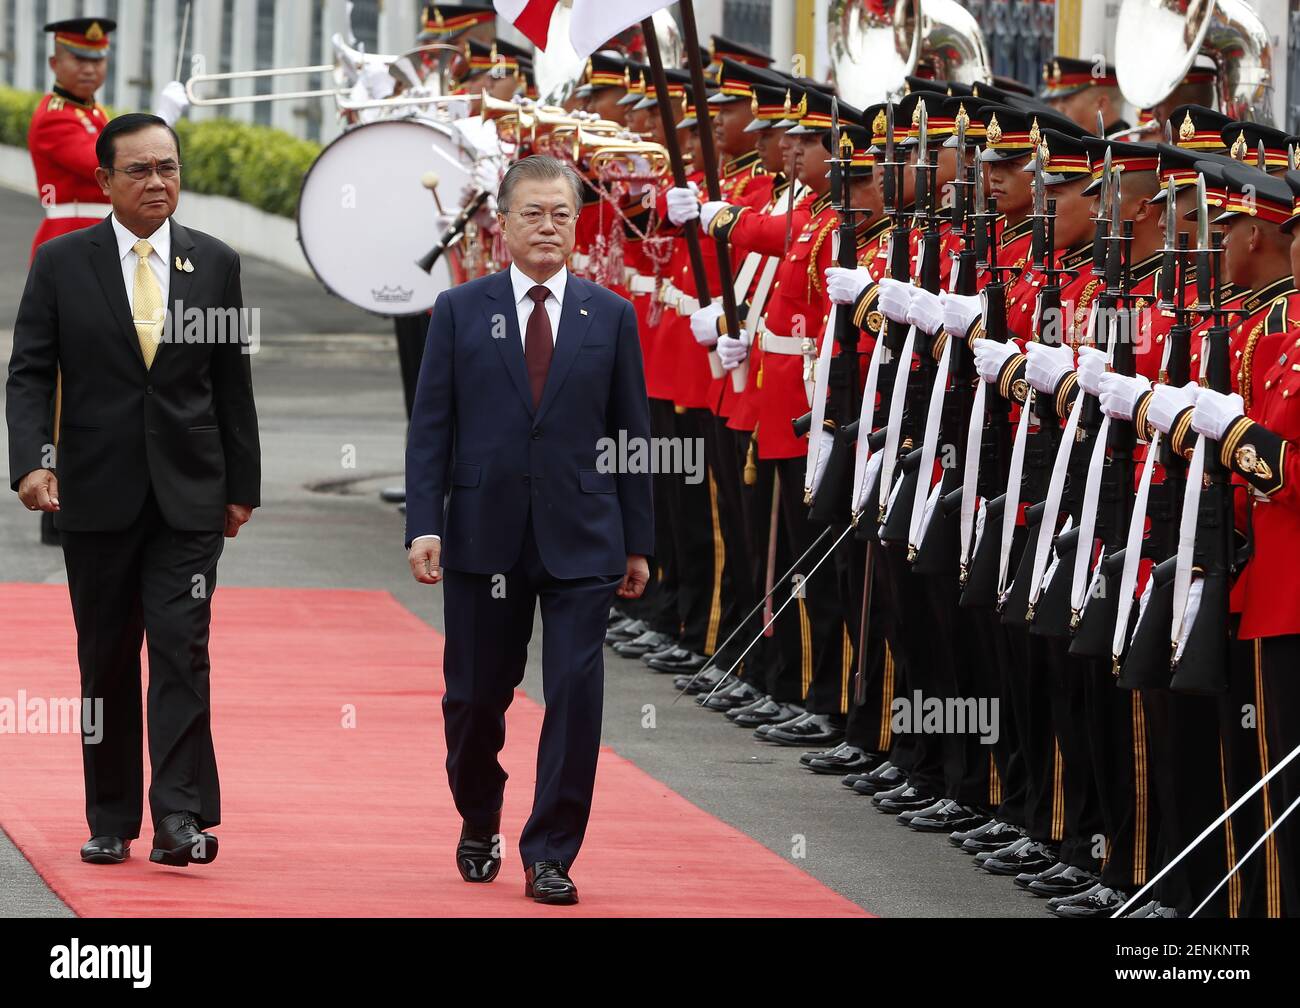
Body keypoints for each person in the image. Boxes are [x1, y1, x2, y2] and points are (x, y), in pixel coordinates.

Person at [6, 113, 261, 867]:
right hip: (96, 495)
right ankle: (110, 816)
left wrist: (240, 485)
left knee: (183, 651)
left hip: (190, 497)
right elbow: (28, 373)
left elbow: (231, 385)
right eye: (141, 171)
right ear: (106, 180)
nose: (158, 182)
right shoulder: (63, 264)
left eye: (169, 168)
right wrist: (32, 461)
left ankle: (181, 814)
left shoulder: (215, 263)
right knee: (105, 661)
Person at [404, 154, 654, 905]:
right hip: (484, 534)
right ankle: (478, 814)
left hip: (583, 536)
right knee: (476, 700)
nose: (548, 227)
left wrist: (637, 540)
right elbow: (430, 431)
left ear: (576, 227)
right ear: (503, 223)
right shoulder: (458, 309)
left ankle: (551, 851)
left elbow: (631, 436)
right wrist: (425, 524)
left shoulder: (609, 315)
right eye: (534, 213)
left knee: (576, 696)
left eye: (562, 215)